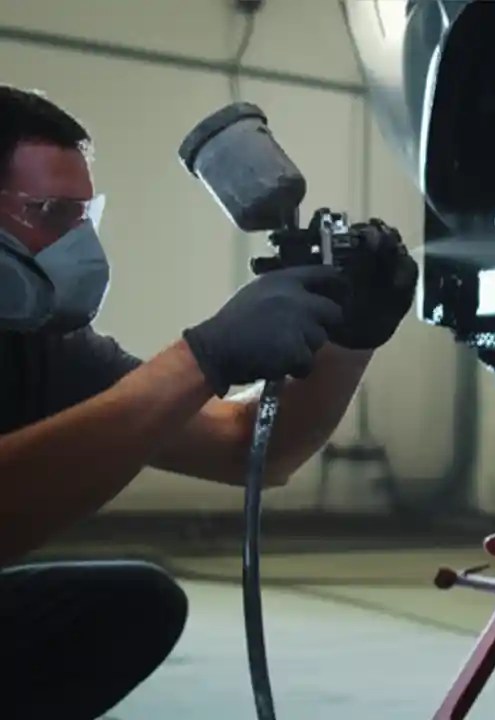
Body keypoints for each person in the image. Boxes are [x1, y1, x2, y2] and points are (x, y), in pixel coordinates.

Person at [0, 85, 418, 718]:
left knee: (134, 607)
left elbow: (246, 448)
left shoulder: (42, 345)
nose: (78, 243)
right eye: (53, 213)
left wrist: (349, 339)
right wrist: (203, 358)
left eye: (86, 216)